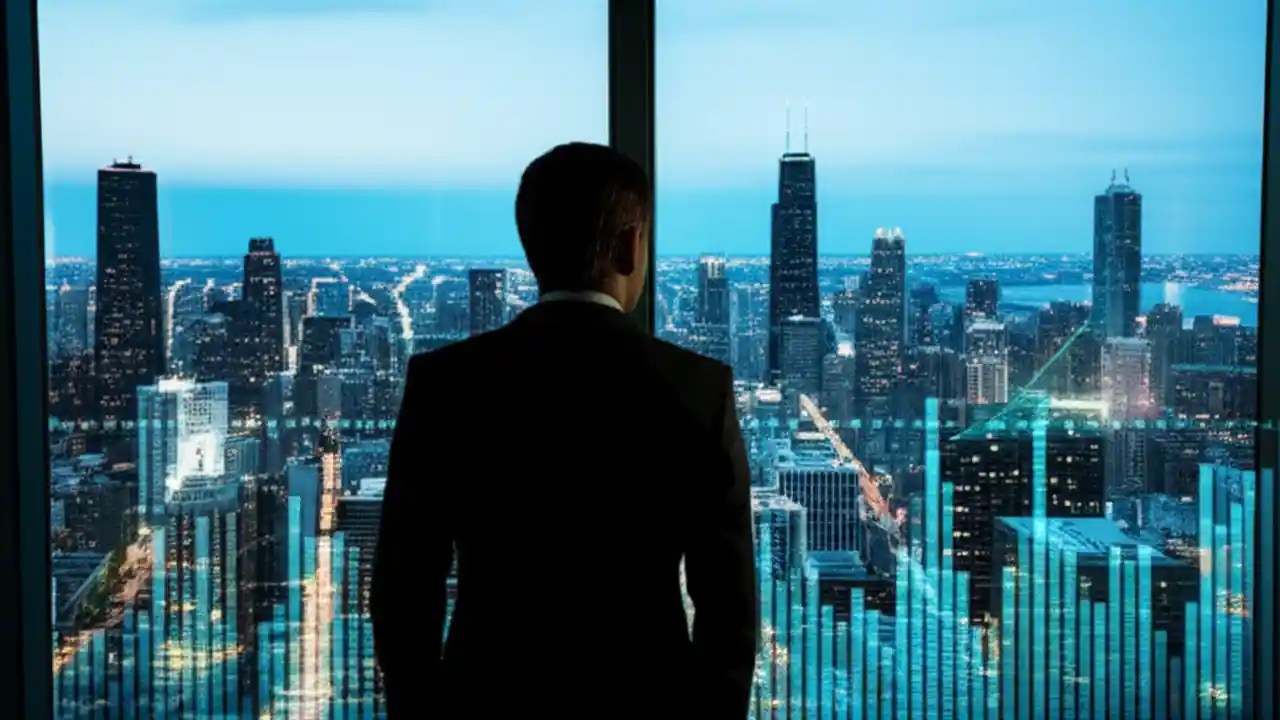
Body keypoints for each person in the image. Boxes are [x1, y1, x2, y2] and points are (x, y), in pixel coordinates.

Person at [371, 142, 758, 716]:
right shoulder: (698, 391)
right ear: (631, 247)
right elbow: (728, 610)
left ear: (532, 248)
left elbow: (405, 591)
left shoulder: (446, 385)